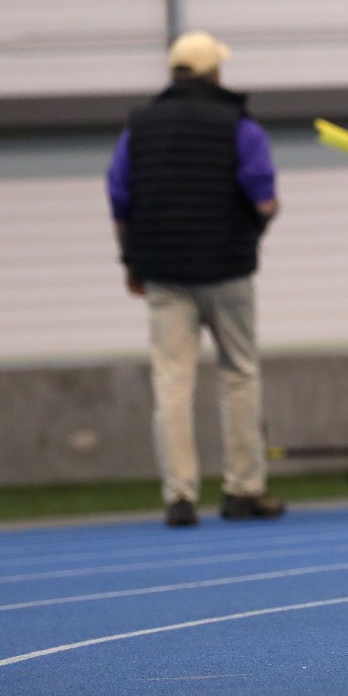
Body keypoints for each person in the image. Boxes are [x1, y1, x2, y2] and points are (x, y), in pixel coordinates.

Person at [108, 31, 285, 527]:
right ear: (215, 73)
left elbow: (120, 199)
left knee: (172, 383)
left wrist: (131, 262)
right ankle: (244, 489)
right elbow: (263, 197)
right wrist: (250, 234)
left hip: (164, 273)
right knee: (240, 375)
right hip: (227, 271)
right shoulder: (238, 125)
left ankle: (180, 496)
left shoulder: (138, 129)